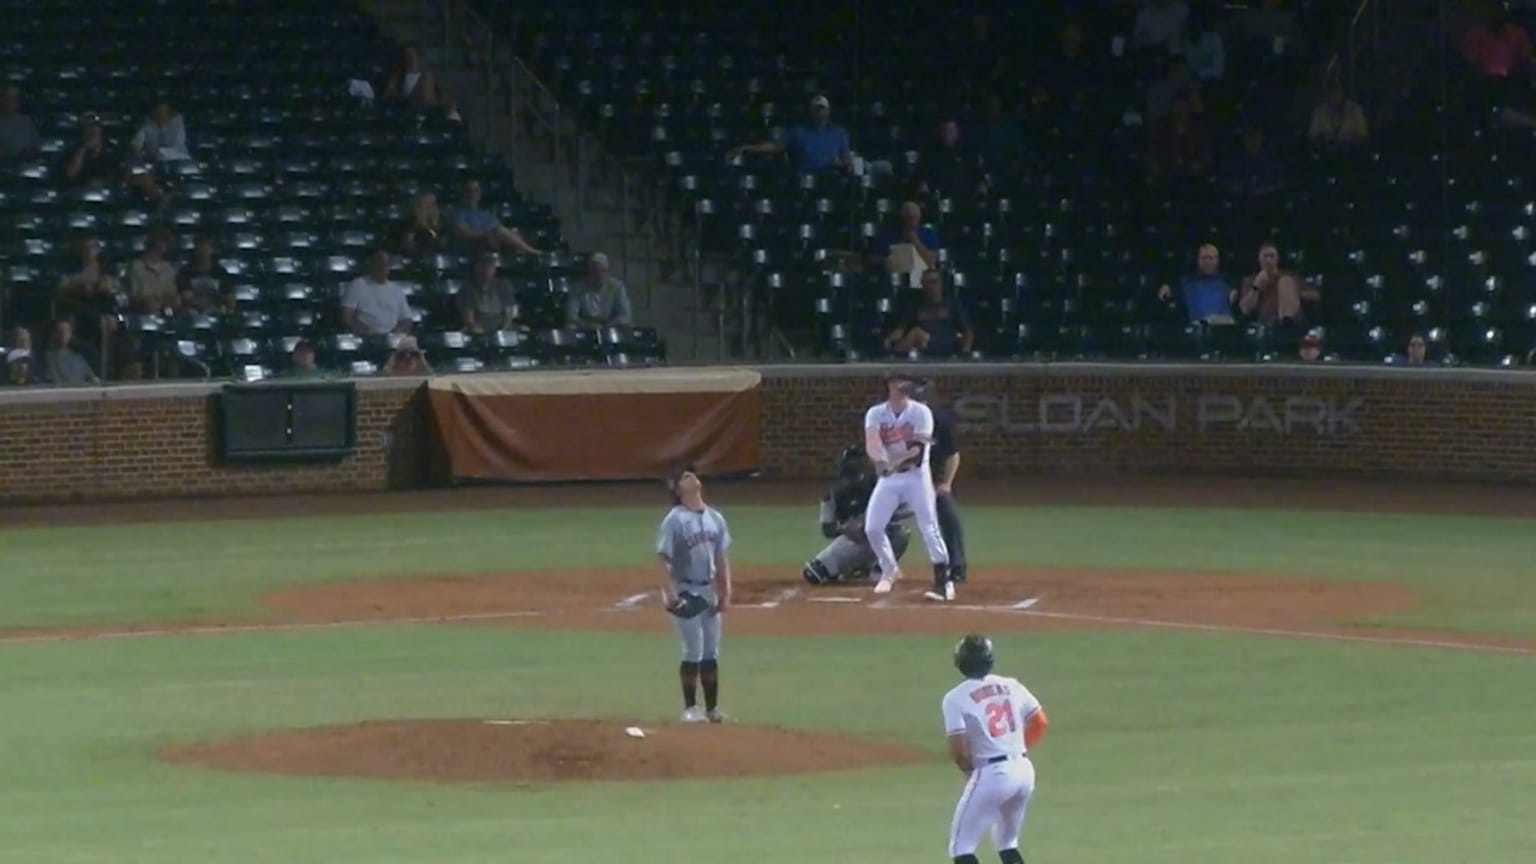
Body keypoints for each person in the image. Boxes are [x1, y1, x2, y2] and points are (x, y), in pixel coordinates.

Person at [942, 634, 1049, 864]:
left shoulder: (955, 698)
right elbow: (1040, 722)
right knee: (1007, 843)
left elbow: (960, 752)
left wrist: (972, 775)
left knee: (962, 848)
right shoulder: (1012, 685)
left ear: (959, 662)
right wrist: (1017, 747)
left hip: (992, 774)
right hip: (1023, 771)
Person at [862, 372, 953, 601]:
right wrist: (881, 463)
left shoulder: (921, 412)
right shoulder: (876, 413)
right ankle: (889, 569)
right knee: (872, 527)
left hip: (916, 477)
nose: (901, 386)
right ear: (889, 386)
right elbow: (873, 442)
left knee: (929, 528)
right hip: (889, 478)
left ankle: (944, 582)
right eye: (897, 382)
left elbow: (918, 450)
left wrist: (893, 463)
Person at [655, 466, 733, 724]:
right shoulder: (674, 520)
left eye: (691, 473)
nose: (689, 476)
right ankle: (690, 708)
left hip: (708, 590)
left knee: (711, 651)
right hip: (686, 589)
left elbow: (721, 558)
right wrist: (670, 595)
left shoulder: (716, 518)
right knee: (692, 650)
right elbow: (663, 558)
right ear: (676, 489)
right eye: (682, 476)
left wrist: (725, 591)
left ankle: (712, 709)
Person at [802, 445, 912, 587]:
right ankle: (856, 569)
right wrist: (844, 529)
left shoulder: (880, 486)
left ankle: (880, 569)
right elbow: (827, 528)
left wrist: (876, 519)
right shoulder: (832, 494)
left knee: (900, 532)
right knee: (814, 573)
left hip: (881, 537)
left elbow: (908, 509)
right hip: (852, 541)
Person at [919, 381, 967, 584]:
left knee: (946, 509)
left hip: (934, 477)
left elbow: (953, 455)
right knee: (878, 514)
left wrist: (946, 484)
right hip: (903, 477)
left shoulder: (940, 421)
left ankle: (956, 565)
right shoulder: (900, 420)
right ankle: (876, 564)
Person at [732, 94, 852, 174]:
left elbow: (846, 160)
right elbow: (776, 146)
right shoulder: (798, 132)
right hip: (803, 179)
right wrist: (749, 148)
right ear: (810, 111)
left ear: (829, 111)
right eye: (816, 109)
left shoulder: (840, 133)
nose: (820, 113)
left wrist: (840, 164)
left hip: (830, 181)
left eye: (822, 109)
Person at [884, 270, 975, 358]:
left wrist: (965, 351)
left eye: (934, 282)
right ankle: (893, 357)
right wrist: (889, 340)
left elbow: (968, 332)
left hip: (947, 346)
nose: (931, 287)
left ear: (941, 284)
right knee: (915, 335)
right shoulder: (915, 307)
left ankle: (895, 356)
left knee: (916, 333)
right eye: (927, 283)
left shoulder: (953, 305)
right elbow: (900, 330)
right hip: (922, 348)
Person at [449, 179, 542, 256]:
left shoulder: (486, 213)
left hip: (494, 243)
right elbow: (463, 233)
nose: (472, 194)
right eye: (469, 190)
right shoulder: (458, 213)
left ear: (480, 193)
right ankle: (532, 251)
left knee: (511, 235)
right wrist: (486, 234)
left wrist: (492, 234)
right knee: (500, 234)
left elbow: (496, 228)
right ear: (464, 193)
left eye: (475, 190)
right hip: (473, 246)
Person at [1237, 243, 1319, 325]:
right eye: (1265, 256)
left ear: (1277, 258)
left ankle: (1287, 322)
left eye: (1272, 256)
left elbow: (1315, 295)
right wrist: (1256, 286)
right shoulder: (1250, 280)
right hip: (1267, 322)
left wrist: (1295, 293)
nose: (1268, 260)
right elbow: (1245, 309)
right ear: (1259, 258)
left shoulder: (1291, 276)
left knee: (1285, 281)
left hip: (1294, 320)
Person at [340, 247, 413, 338]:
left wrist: (398, 332)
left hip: (391, 339)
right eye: (379, 264)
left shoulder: (397, 290)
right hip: (365, 338)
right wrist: (361, 330)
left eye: (386, 264)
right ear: (372, 265)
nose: (382, 268)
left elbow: (406, 319)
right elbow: (347, 316)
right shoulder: (358, 284)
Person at [1157, 243, 1234, 324]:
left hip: (1225, 326)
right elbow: (1168, 295)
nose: (1207, 262)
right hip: (1197, 327)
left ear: (1217, 261)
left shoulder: (1228, 282)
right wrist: (1167, 288)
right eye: (1204, 258)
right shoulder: (1186, 282)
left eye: (1211, 258)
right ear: (1197, 260)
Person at [565, 252, 633, 328]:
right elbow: (572, 316)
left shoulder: (617, 287)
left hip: (610, 325)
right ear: (589, 271)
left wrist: (608, 325)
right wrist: (588, 326)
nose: (600, 274)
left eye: (603, 270)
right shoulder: (577, 288)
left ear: (608, 271)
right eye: (595, 271)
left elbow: (625, 315)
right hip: (584, 325)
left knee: (626, 326)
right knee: (570, 327)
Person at [458, 251, 520, 333]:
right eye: (482, 265)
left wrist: (503, 331)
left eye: (490, 266)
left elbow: (509, 314)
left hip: (501, 328)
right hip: (478, 329)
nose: (486, 270)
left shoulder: (503, 285)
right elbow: (469, 320)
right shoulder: (467, 288)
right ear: (475, 268)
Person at [176, 235, 234, 313]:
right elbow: (187, 299)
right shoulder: (185, 272)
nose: (202, 250)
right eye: (199, 246)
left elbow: (229, 298)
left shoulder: (220, 272)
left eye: (206, 246)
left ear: (212, 249)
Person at [42, 319, 99, 385]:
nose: (63, 335)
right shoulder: (47, 357)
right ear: (53, 334)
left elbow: (91, 377)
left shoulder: (77, 357)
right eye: (60, 331)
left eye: (67, 331)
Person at [384, 44, 439, 110]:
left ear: (417, 57)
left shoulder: (426, 75)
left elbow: (426, 99)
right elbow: (388, 94)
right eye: (405, 56)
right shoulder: (397, 75)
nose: (408, 59)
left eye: (410, 56)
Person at [0, 84, 42, 160]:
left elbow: (36, 145)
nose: (10, 102)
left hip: (27, 163)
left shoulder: (26, 120)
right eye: (7, 98)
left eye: (14, 99)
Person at [397, 191, 444, 255]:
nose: (432, 207)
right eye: (427, 203)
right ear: (419, 205)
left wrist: (434, 224)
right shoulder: (412, 222)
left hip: (434, 254)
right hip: (417, 256)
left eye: (433, 203)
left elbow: (439, 240)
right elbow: (408, 245)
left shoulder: (440, 220)